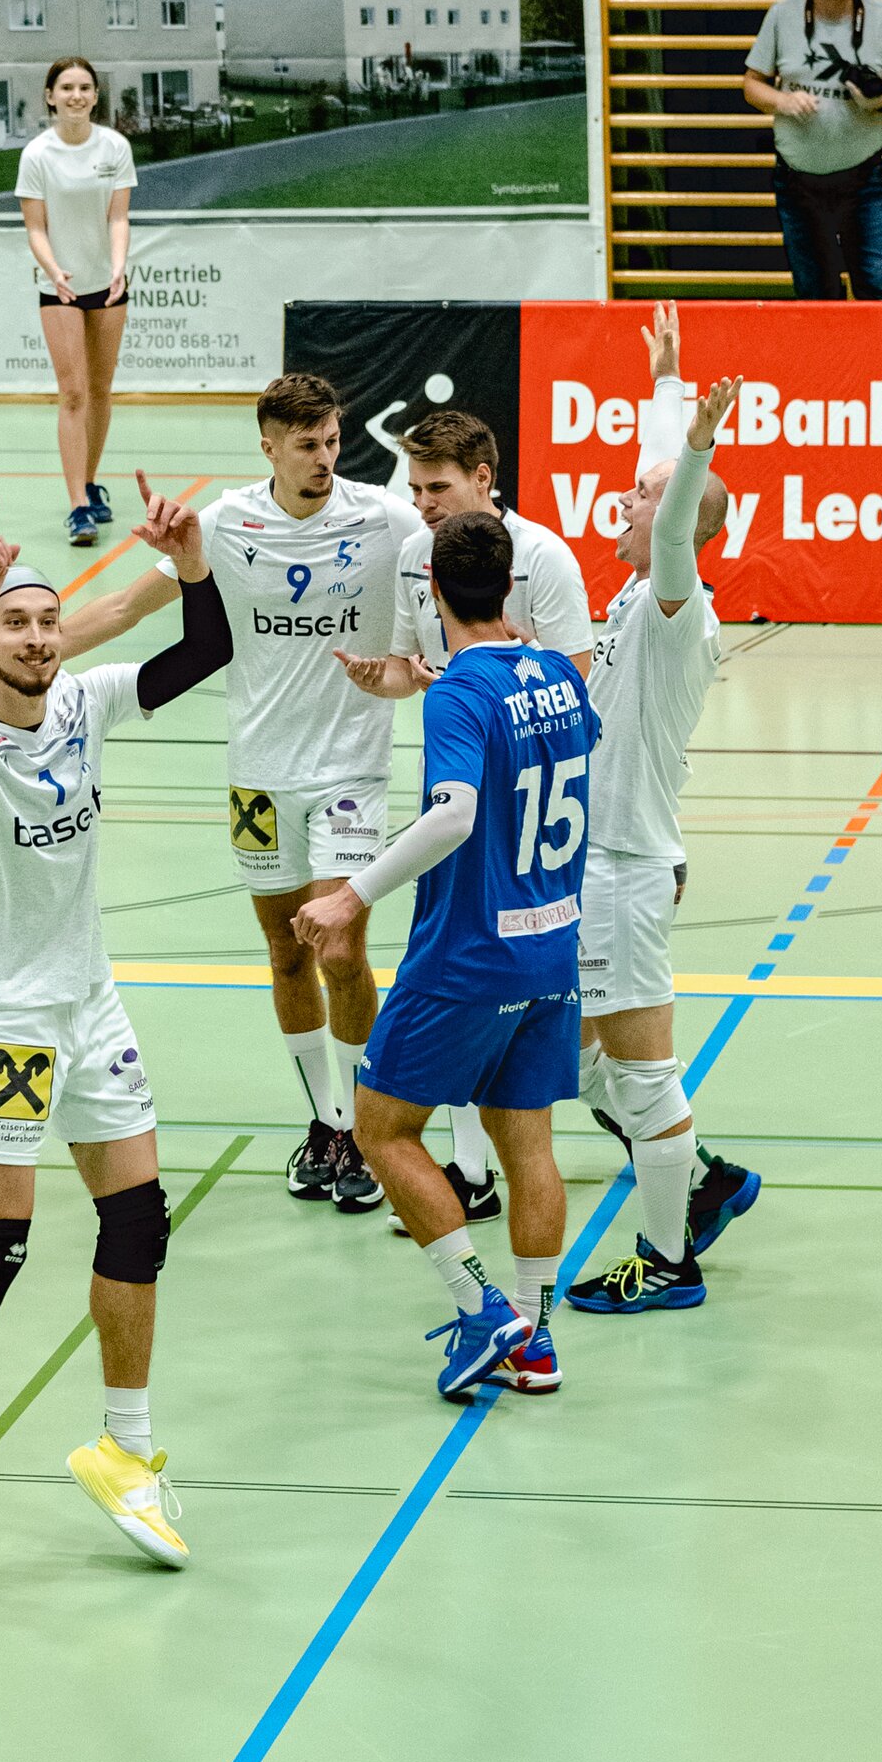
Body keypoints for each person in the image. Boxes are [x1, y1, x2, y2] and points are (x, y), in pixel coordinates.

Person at [0, 482, 232, 1602]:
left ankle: (122, 1446)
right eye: (13, 624)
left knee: (138, 1218)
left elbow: (204, 650)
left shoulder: (84, 700)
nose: (36, 637)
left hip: (90, 1003)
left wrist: (187, 564)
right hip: (5, 1017)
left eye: (45, 620)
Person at [61, 373, 423, 1214]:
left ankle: (370, 1126)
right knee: (287, 951)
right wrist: (19, 656)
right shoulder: (223, 526)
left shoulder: (384, 519)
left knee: (342, 950)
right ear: (268, 445)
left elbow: (468, 561)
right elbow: (120, 608)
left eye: (333, 440)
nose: (325, 458)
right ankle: (327, 1121)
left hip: (350, 774)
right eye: (307, 445)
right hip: (258, 775)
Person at [296, 512, 598, 1401]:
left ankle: (479, 1307)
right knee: (528, 1145)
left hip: (468, 956)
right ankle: (535, 1340)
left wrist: (351, 894)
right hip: (553, 949)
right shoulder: (557, 675)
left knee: (382, 1127)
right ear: (511, 586)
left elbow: (456, 812)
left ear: (432, 592)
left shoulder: (456, 695)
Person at [336, 408, 591, 1232]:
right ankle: (476, 1189)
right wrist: (394, 681)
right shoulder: (418, 555)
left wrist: (350, 894)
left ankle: (674, 1160)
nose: (424, 503)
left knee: (405, 1100)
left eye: (437, 487)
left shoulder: (547, 559)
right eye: (414, 488)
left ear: (485, 478)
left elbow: (570, 685)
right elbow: (429, 665)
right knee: (528, 1122)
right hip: (483, 799)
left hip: (504, 813)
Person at [566, 314, 761, 1314]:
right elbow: (655, 476)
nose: (629, 494)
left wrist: (693, 450)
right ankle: (704, 1178)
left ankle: (666, 1260)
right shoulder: (634, 592)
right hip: (597, 869)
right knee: (592, 1068)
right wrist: (669, 381)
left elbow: (674, 509)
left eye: (642, 496)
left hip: (626, 868)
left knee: (634, 1075)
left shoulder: (673, 605)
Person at [743, 0, 882, 301]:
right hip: (797, 182)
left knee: (878, 289)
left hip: (864, 180)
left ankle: (876, 363)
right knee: (815, 297)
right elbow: (751, 84)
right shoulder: (781, 15)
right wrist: (782, 102)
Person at [15, 57, 136, 547]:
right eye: (66, 87)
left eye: (85, 87)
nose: (76, 95)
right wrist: (53, 270)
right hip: (59, 288)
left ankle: (90, 480)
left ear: (95, 96)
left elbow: (118, 218)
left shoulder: (115, 147)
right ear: (50, 95)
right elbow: (35, 227)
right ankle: (78, 508)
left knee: (101, 392)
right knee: (73, 394)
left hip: (108, 286)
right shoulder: (37, 154)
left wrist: (117, 265)